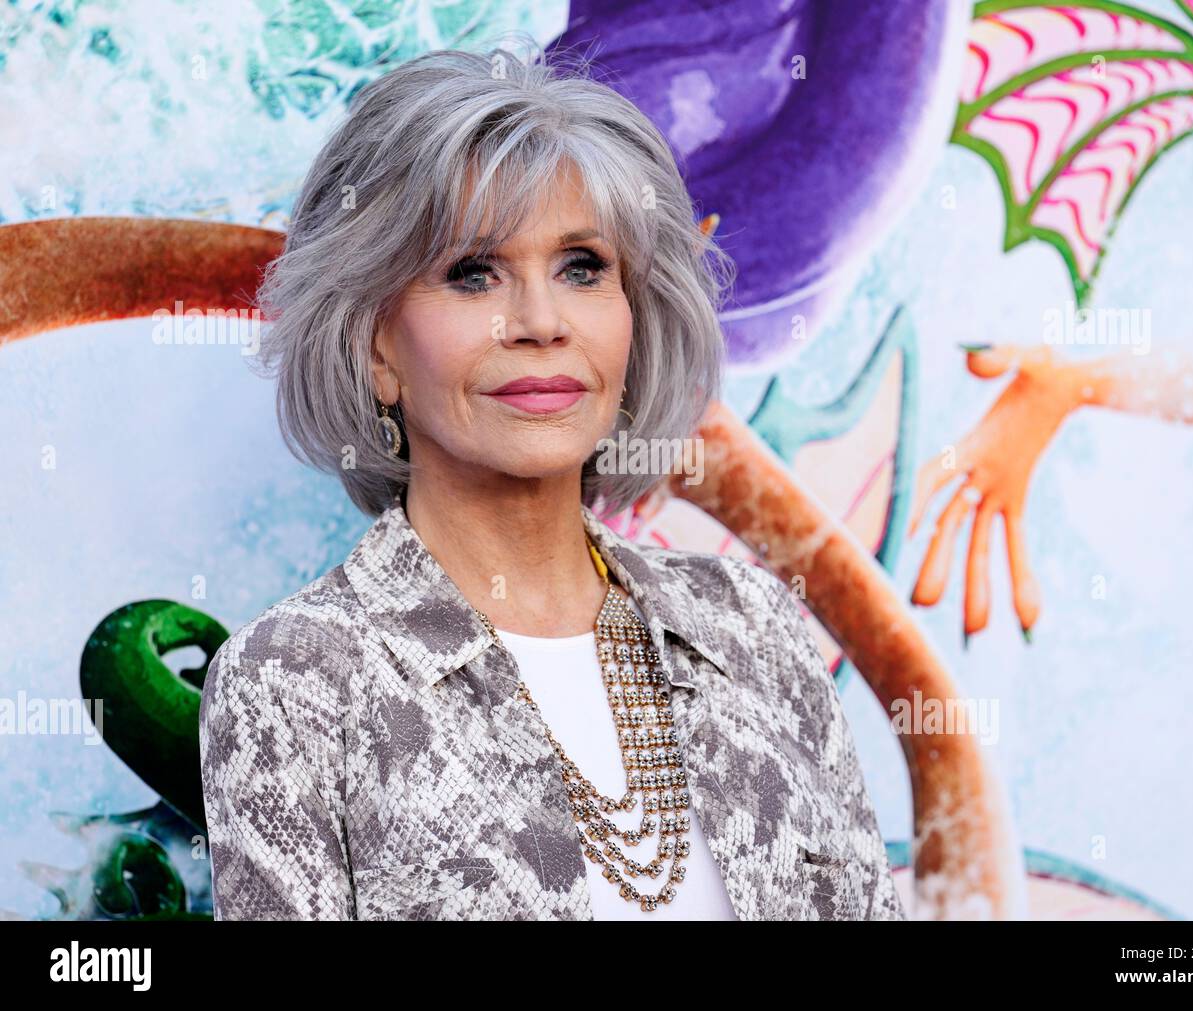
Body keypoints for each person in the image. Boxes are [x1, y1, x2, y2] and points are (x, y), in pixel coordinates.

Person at [197, 40, 905, 922]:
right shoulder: (296, 679)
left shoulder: (752, 625)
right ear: (376, 347)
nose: (540, 321)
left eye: (582, 268)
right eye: (472, 272)